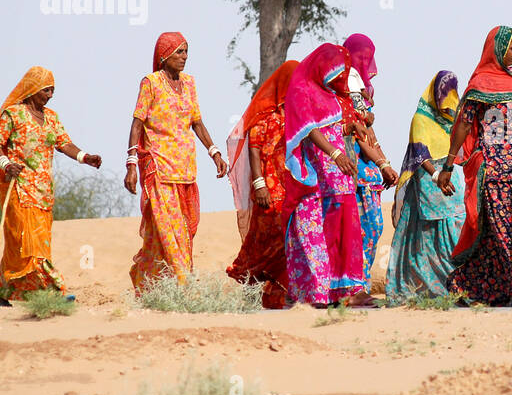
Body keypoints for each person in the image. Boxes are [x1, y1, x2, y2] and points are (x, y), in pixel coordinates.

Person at [0, 67, 101, 305]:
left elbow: (64, 144)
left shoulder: (52, 118)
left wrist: (85, 157)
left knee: (30, 245)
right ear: (33, 89)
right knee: (27, 243)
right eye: (46, 90)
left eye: (53, 91)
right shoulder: (13, 115)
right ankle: (54, 291)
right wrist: (6, 164)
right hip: (18, 188)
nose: (50, 95)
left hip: (43, 191)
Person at [438, 26, 512, 307]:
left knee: (507, 231)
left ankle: (470, 288)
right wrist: (449, 163)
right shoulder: (480, 83)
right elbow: (465, 124)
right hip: (491, 168)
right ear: (497, 49)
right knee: (503, 230)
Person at [125, 33, 226, 294]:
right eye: (179, 52)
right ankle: (185, 285)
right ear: (164, 55)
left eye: (186, 52)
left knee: (181, 231)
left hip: (186, 170)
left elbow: (197, 123)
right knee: (170, 230)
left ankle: (149, 284)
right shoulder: (151, 83)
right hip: (158, 167)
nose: (184, 57)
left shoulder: (190, 84)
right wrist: (132, 163)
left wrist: (214, 152)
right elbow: (137, 123)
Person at [282, 44, 374, 308]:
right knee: (322, 233)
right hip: (319, 175)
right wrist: (335, 155)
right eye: (335, 70)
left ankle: (347, 288)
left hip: (342, 173)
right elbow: (310, 129)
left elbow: (332, 124)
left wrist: (351, 125)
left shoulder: (330, 94)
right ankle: (318, 292)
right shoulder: (302, 91)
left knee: (347, 230)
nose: (339, 76)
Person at [385, 71, 467, 303]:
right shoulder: (421, 118)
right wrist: (437, 176)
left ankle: (457, 286)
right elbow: (420, 154)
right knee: (423, 239)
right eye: (444, 91)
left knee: (455, 232)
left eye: (452, 91)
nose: (447, 97)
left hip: (450, 182)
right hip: (429, 183)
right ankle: (431, 288)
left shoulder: (453, 119)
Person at [225, 60, 299, 309]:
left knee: (290, 239)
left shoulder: (298, 114)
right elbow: (254, 152)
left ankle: (280, 294)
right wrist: (259, 185)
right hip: (268, 189)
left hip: (292, 187)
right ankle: (256, 286)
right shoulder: (263, 116)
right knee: (269, 242)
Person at [342, 33, 397, 289]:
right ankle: (354, 287)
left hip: (368, 172)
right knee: (361, 230)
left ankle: (359, 284)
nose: (367, 62)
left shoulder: (359, 86)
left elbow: (369, 132)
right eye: (363, 56)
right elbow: (358, 130)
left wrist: (382, 161)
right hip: (352, 170)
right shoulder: (347, 83)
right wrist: (383, 164)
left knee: (373, 228)